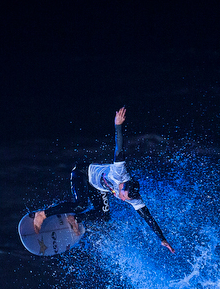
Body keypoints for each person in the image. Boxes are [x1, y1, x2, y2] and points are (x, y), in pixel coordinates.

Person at [30, 107, 175, 254]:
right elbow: (119, 148)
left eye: (126, 198)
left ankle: (74, 219)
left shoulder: (133, 197)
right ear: (122, 185)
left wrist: (162, 239)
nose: (123, 199)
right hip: (83, 173)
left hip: (98, 187)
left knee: (104, 216)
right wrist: (118, 125)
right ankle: (42, 214)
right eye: (124, 195)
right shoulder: (120, 172)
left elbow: (149, 218)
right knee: (81, 204)